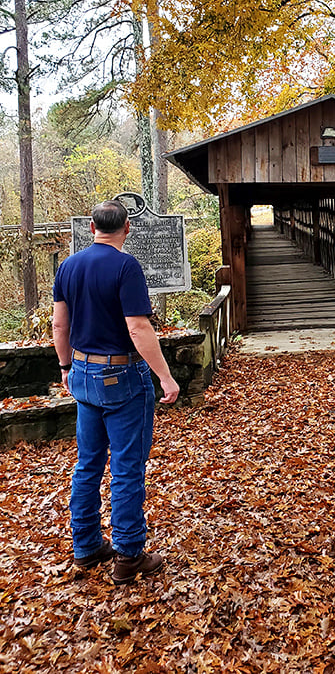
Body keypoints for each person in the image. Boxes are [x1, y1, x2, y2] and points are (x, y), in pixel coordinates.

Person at [52, 199, 180, 585]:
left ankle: (87, 547)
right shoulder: (126, 267)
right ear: (126, 228)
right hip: (122, 375)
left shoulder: (69, 266)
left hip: (82, 373)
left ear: (92, 227)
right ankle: (128, 553)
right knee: (126, 467)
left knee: (87, 464)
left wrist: (65, 367)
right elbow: (138, 328)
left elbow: (60, 325)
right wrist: (166, 377)